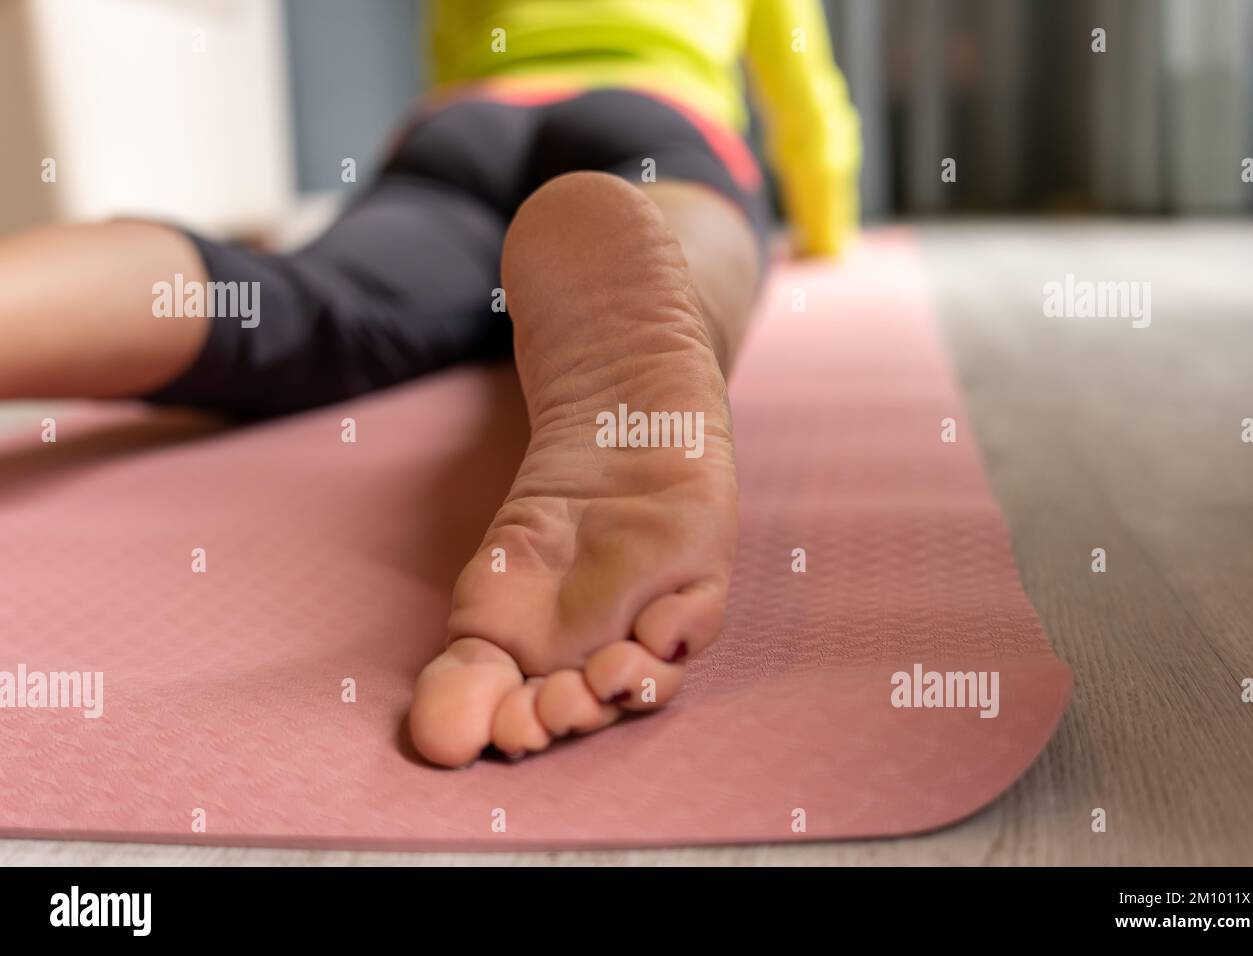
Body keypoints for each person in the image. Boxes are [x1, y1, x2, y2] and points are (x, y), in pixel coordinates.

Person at [0, 0, 859, 766]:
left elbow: (455, 43)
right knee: (675, 236)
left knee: (303, 302)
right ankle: (674, 301)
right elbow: (802, 83)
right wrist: (826, 221)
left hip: (464, 129)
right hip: (651, 111)